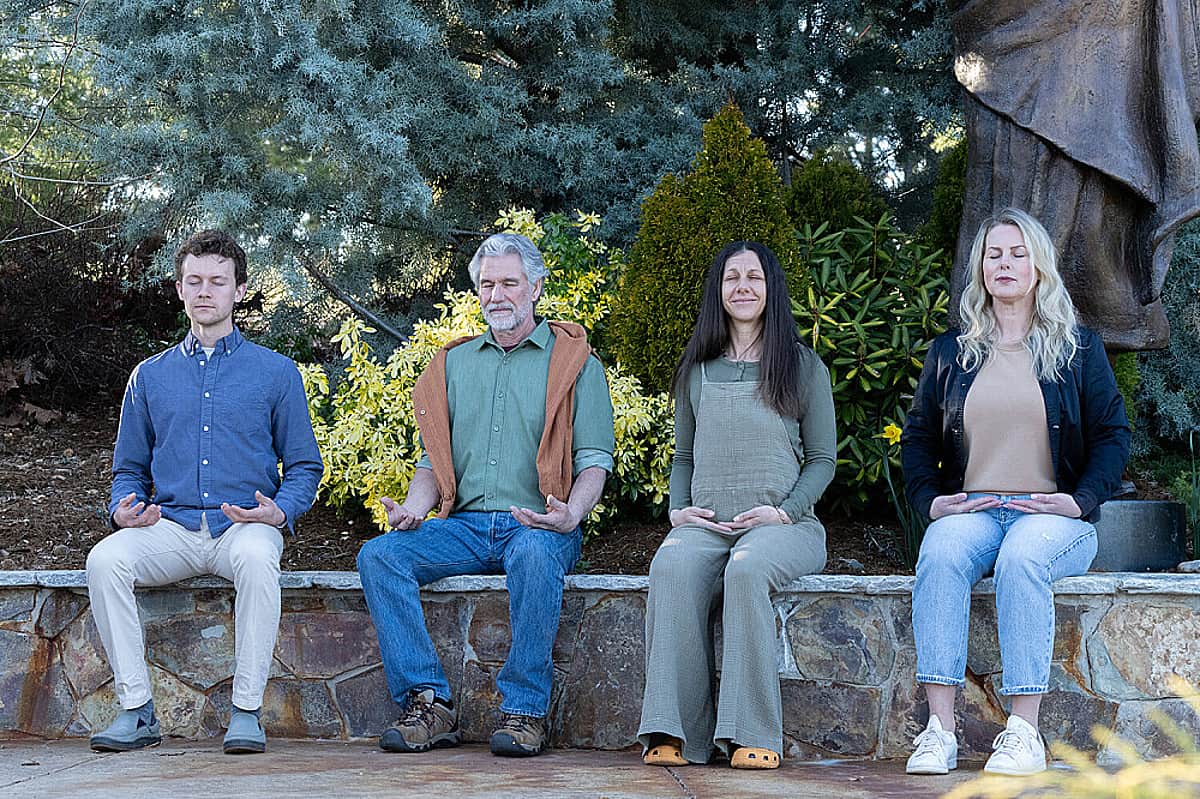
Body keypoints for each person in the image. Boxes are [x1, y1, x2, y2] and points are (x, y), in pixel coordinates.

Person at [357, 233, 615, 758]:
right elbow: (434, 460)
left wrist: (572, 515)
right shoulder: (454, 365)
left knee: (537, 555)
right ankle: (430, 704)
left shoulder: (576, 364)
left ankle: (524, 712)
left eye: (509, 283)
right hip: (466, 527)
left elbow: (594, 460)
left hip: (538, 524)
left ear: (536, 287)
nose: (497, 294)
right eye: (487, 283)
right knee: (380, 556)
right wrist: (413, 508)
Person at [901, 208, 1129, 776]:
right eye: (994, 254)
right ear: (980, 268)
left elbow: (1113, 435)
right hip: (977, 510)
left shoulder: (1076, 348)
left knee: (1023, 557)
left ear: (1038, 268)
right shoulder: (951, 353)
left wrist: (1080, 501)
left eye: (1017, 253)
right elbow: (918, 438)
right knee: (941, 550)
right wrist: (931, 500)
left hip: (1054, 518)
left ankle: (1023, 731)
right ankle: (940, 733)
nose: (1005, 264)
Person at [86, 229, 323, 754]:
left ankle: (245, 712)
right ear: (179, 290)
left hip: (243, 526)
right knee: (105, 560)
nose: (205, 291)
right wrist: (123, 509)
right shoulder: (149, 377)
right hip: (167, 528)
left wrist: (279, 512)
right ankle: (137, 711)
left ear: (239, 290)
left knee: (261, 561)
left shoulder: (277, 373)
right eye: (194, 281)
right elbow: (127, 468)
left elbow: (306, 466)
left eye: (218, 281)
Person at [637, 241, 837, 770]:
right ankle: (675, 732)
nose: (742, 288)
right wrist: (678, 511)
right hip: (706, 524)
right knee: (670, 566)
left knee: (746, 572)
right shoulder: (697, 370)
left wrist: (786, 511)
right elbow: (683, 455)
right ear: (718, 291)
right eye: (732, 278)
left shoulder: (801, 365)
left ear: (771, 288)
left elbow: (822, 460)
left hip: (782, 527)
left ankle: (753, 733)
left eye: (754, 277)